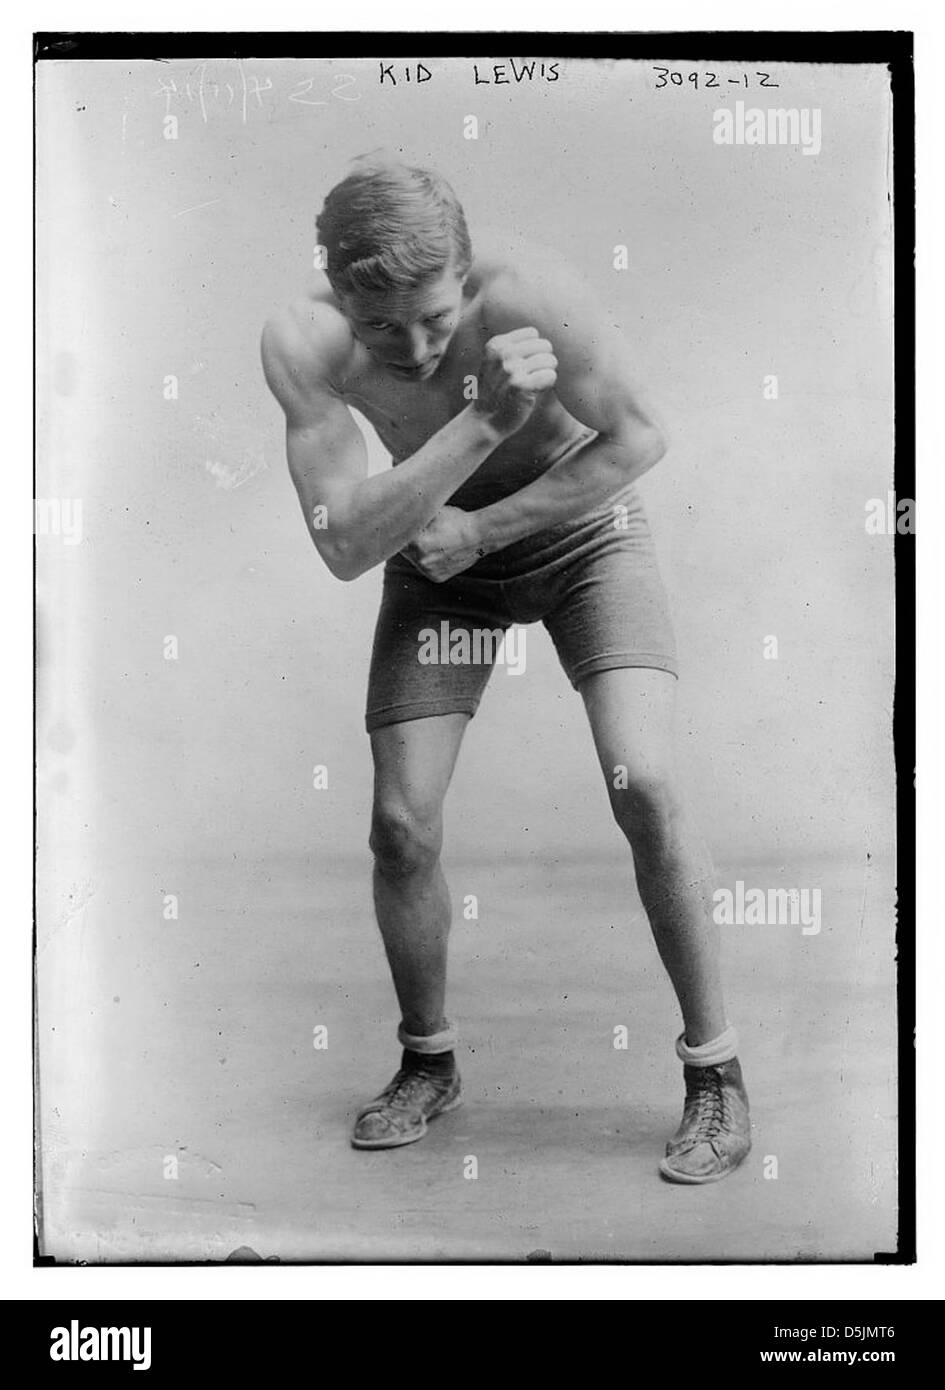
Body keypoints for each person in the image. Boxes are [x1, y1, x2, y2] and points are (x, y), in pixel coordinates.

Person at [261, 154, 750, 1183]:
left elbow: (641, 435)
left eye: (436, 318)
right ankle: (427, 1060)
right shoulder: (301, 342)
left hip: (580, 536)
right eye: (382, 325)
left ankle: (716, 1073)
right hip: (440, 564)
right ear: (337, 287)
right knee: (401, 823)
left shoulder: (531, 293)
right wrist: (480, 424)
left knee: (647, 786)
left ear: (469, 277)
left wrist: (487, 524)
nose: (415, 346)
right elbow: (345, 546)